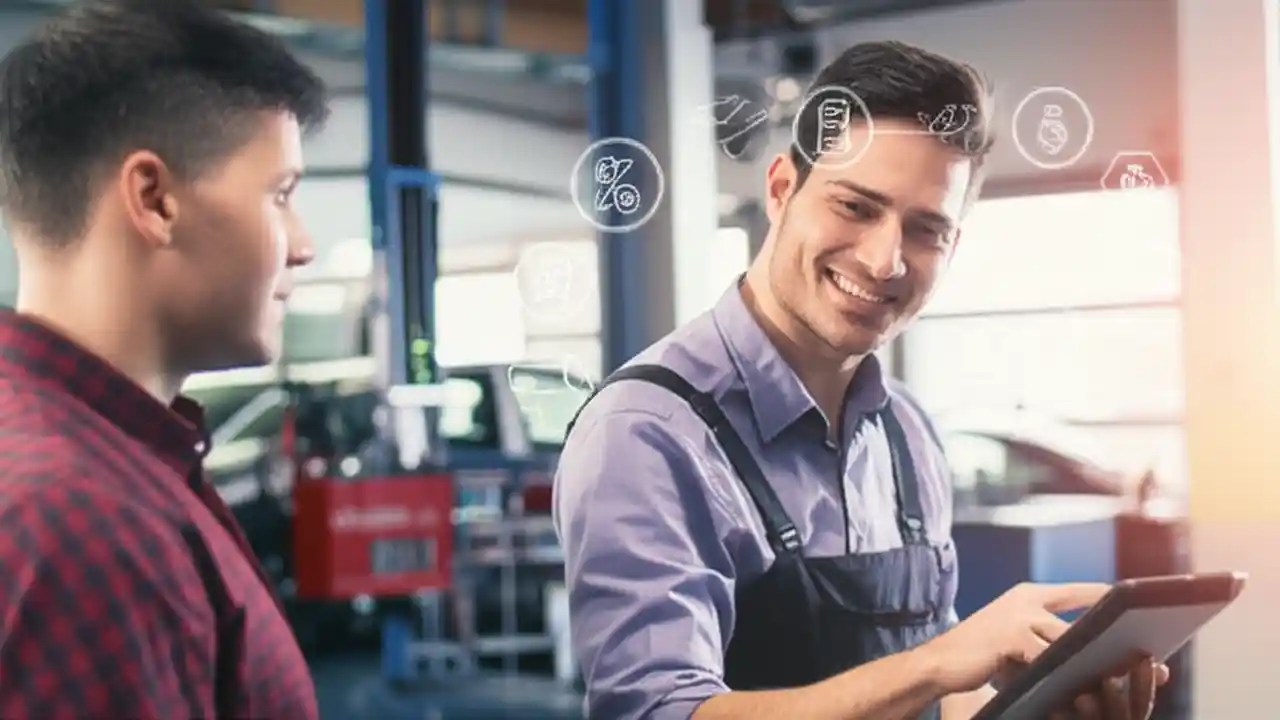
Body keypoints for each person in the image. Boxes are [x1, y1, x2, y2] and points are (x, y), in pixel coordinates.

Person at [554, 40, 1168, 720]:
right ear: (782, 188)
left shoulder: (906, 431)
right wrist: (936, 662)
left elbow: (948, 695)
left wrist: (1038, 704)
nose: (884, 260)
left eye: (926, 230)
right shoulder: (646, 434)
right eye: (855, 207)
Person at [0, 0, 327, 717]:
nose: (304, 245)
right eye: (281, 195)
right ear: (154, 200)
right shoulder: (83, 525)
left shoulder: (88, 463)